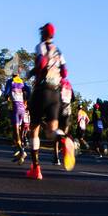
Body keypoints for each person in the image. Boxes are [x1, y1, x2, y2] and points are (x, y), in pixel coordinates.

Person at [26, 23, 75, 178]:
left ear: (43, 33)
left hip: (42, 91)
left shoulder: (41, 46)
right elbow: (65, 72)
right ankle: (63, 138)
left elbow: (41, 64)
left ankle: (36, 168)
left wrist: (31, 72)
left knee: (34, 130)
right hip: (56, 94)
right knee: (51, 132)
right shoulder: (59, 51)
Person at [4, 72, 30, 162]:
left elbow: (6, 93)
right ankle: (19, 151)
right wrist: (26, 99)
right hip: (22, 108)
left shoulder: (10, 81)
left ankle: (22, 151)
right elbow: (29, 89)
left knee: (16, 132)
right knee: (19, 131)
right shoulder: (22, 82)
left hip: (14, 108)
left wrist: (7, 97)